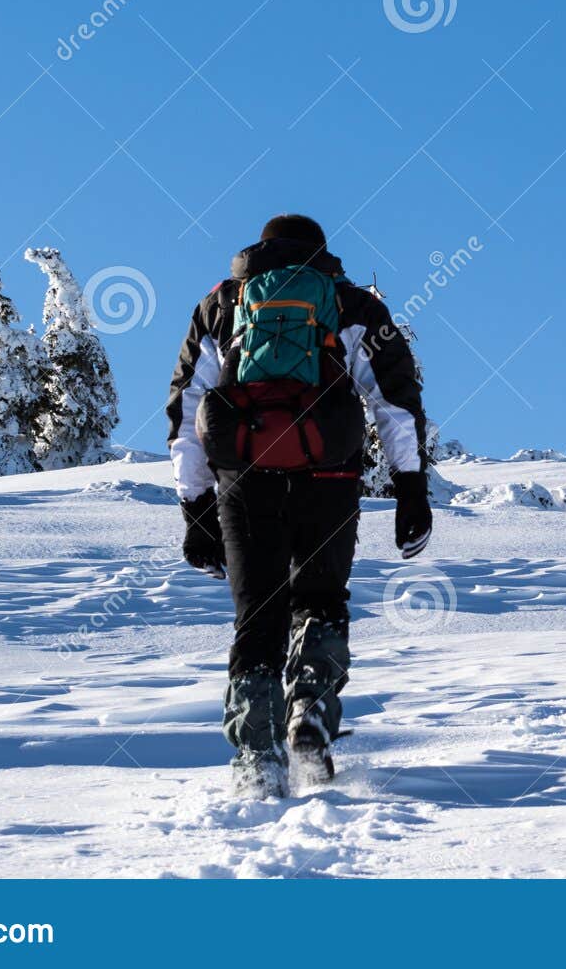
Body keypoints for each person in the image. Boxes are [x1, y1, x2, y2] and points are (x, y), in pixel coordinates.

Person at [166, 214, 431, 796]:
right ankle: (309, 710)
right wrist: (410, 488)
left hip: (244, 476)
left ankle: (257, 758)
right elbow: (394, 402)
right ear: (322, 253)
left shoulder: (221, 304)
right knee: (320, 598)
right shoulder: (351, 302)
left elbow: (187, 409)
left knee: (256, 613)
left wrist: (195, 507)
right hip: (328, 475)